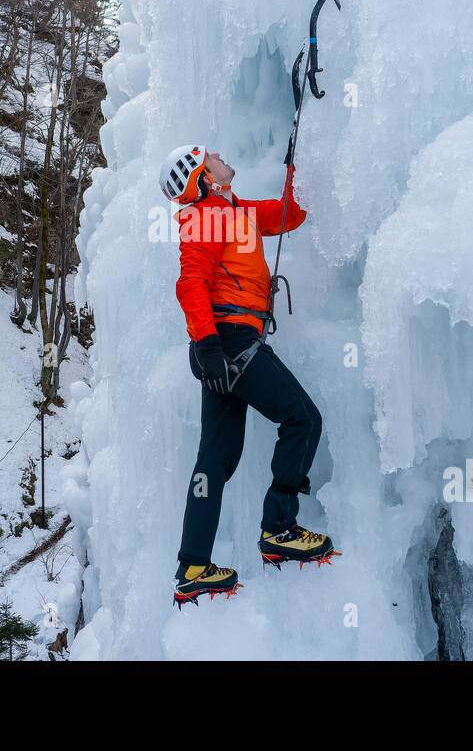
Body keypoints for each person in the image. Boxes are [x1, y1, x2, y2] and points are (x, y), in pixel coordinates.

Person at [159, 144, 336, 607]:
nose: (220, 155)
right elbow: (190, 281)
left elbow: (288, 215)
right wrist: (210, 344)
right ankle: (279, 528)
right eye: (209, 156)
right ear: (205, 177)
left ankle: (193, 565)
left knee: (215, 460)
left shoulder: (234, 211)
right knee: (303, 420)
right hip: (231, 343)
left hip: (222, 349)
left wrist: (298, 163)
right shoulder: (210, 214)